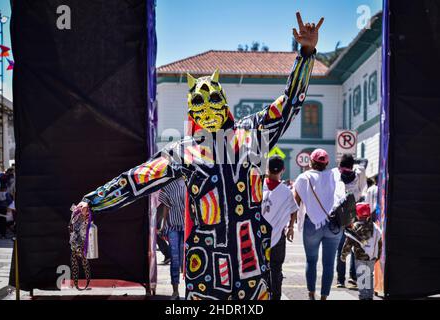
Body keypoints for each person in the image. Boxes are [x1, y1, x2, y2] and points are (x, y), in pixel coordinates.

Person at [69, 12, 324, 300]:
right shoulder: (185, 152)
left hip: (250, 263)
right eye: (198, 102)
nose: (207, 107)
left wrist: (305, 53)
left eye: (213, 97)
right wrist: (92, 202)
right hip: (206, 269)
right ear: (192, 111)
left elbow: (290, 102)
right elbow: (136, 180)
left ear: (224, 100)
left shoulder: (252, 133)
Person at [294, 149, 345, 300]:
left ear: (311, 162)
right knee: (329, 264)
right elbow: (342, 196)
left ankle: (311, 294)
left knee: (311, 260)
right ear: (327, 163)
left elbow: (296, 202)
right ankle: (324, 296)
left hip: (312, 224)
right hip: (333, 225)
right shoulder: (335, 175)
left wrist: (291, 224)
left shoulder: (304, 177)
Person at [262, 156, 298, 300]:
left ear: (266, 169)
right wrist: (290, 227)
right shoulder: (286, 191)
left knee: (260, 267)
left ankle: (261, 294)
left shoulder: (257, 187)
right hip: (278, 236)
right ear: (283, 170)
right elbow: (294, 209)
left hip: (259, 236)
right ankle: (276, 296)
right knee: (276, 268)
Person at [335, 154, 368, 288]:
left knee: (340, 248)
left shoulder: (337, 175)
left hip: (341, 215)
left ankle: (340, 280)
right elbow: (364, 161)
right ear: (351, 165)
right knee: (355, 247)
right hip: (356, 215)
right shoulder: (359, 173)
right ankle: (353, 277)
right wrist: (352, 162)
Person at [341, 203, 382, 300]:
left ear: (357, 214)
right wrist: (378, 256)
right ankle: (369, 296)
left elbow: (348, 243)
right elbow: (380, 242)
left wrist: (343, 255)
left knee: (362, 278)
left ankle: (363, 297)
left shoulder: (355, 227)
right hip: (371, 257)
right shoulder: (374, 227)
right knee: (369, 277)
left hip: (359, 258)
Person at [158, 178, 186, 300]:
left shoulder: (191, 182)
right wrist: (163, 225)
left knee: (187, 258)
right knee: (175, 258)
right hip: (173, 226)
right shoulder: (169, 184)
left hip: (188, 227)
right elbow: (166, 207)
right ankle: (175, 291)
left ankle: (191, 290)